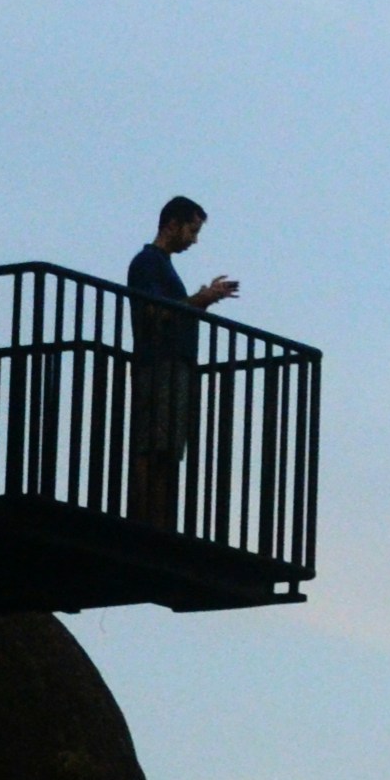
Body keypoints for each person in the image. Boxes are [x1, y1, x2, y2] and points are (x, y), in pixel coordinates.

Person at [126, 195, 238, 530]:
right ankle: (148, 521)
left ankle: (158, 520)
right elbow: (154, 312)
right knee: (154, 446)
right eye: (192, 229)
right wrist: (198, 300)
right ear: (172, 224)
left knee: (168, 448)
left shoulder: (161, 265)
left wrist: (201, 301)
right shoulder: (147, 263)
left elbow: (172, 310)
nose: (194, 239)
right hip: (159, 365)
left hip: (174, 367)